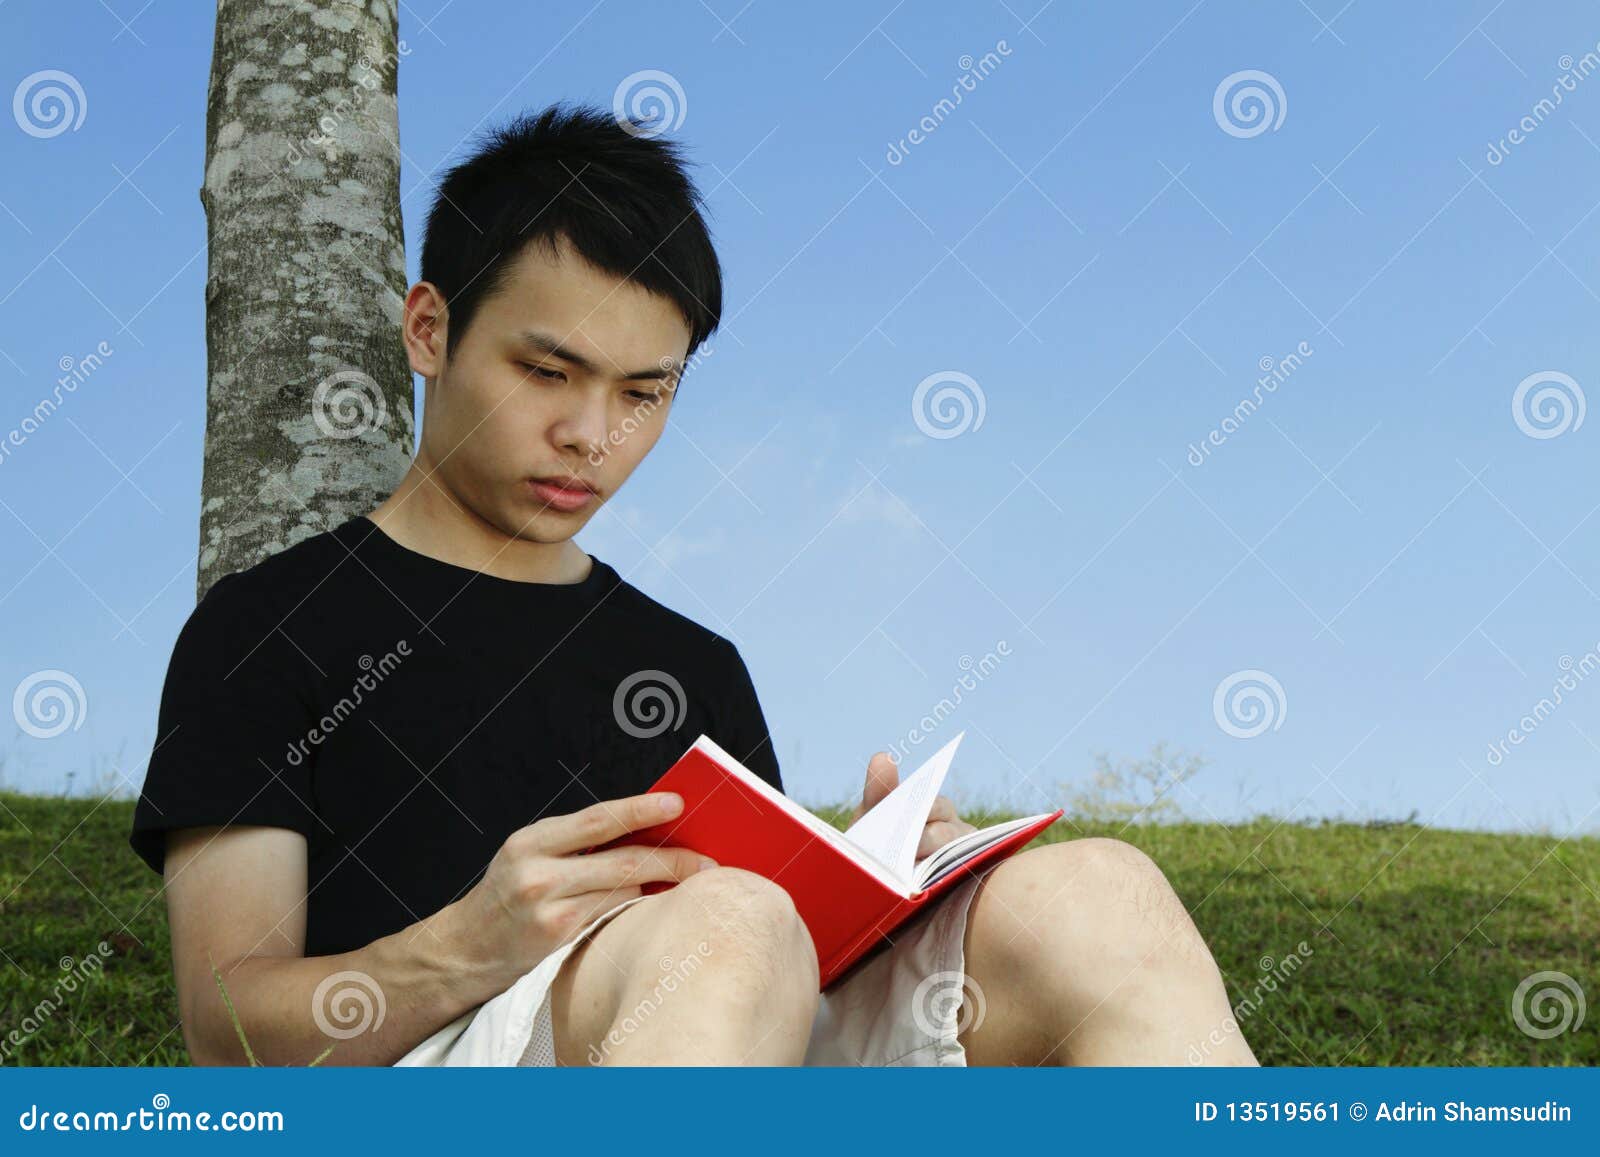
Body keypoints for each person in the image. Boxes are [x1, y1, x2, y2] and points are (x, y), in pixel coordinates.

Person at [130, 103, 1256, 1068]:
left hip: (720, 1041)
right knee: (723, 924)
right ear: (429, 330)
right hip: (440, 1066)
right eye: (545, 371)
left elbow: (773, 955)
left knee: (1099, 893)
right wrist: (467, 943)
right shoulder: (266, 627)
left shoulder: (691, 665)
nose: (589, 435)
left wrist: (887, 898)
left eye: (643, 392)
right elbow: (224, 1023)